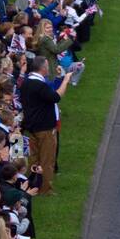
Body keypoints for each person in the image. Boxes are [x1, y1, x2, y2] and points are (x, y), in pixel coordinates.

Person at [19, 56, 73, 196]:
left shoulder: (26, 82)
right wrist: (66, 80)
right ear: (43, 68)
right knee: (47, 160)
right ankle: (45, 189)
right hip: (44, 128)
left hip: (31, 126)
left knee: (34, 158)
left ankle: (31, 185)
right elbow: (56, 97)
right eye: (47, 66)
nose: (48, 68)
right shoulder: (39, 85)